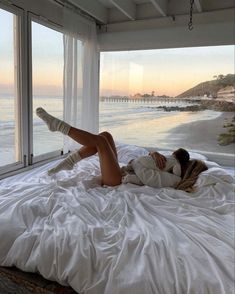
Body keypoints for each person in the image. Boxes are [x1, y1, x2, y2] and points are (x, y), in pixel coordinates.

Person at [36, 107, 191, 187]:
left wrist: (134, 167)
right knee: (105, 135)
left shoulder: (174, 176)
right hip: (122, 170)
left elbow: (149, 177)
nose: (171, 154)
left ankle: (60, 127)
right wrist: (153, 153)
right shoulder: (166, 161)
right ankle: (69, 162)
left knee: (100, 143)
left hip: (117, 181)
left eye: (174, 153)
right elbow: (146, 161)